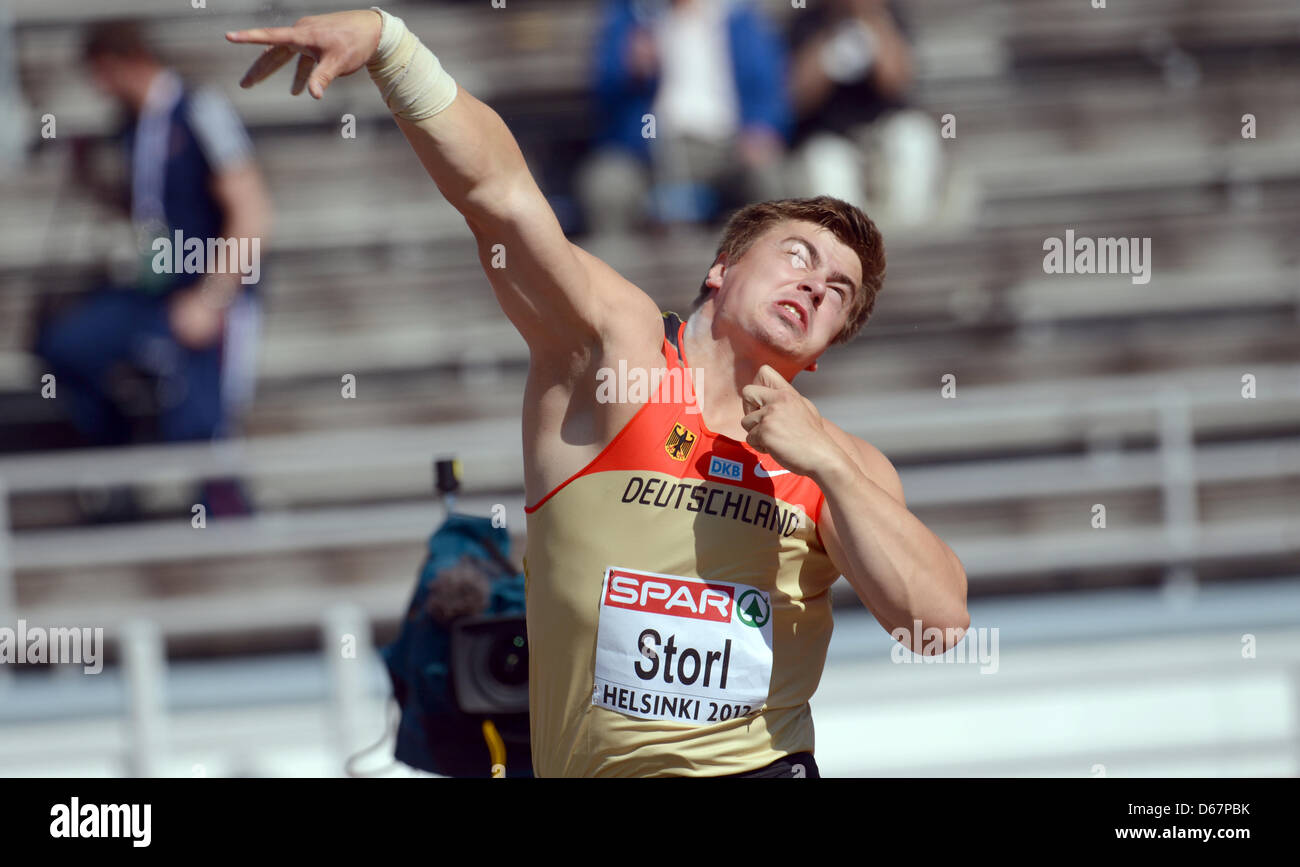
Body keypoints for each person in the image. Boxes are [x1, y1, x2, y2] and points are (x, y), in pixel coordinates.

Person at [228, 6, 968, 777]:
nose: (814, 284)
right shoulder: (623, 355)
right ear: (722, 267)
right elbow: (503, 199)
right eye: (796, 255)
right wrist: (392, 47)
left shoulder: (837, 467)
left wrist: (832, 466)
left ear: (828, 343)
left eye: (838, 291)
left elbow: (936, 624)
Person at [36, 19, 271, 515]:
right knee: (68, 344)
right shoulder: (133, 125)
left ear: (122, 63)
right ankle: (116, 457)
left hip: (212, 290)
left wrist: (212, 299)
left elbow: (252, 209)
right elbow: (154, 211)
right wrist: (87, 178)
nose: (99, 89)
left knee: (200, 424)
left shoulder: (199, 109)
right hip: (159, 289)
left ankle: (230, 518)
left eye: (101, 75)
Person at [576, 0, 790, 235]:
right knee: (606, 186)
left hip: (728, 148)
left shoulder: (740, 17)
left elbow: (770, 90)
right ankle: (613, 271)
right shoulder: (631, 16)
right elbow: (605, 95)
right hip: (649, 153)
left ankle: (766, 268)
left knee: (768, 178)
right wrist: (630, 69)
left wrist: (761, 130)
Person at [786, 0, 943, 229]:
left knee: (914, 137)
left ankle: (910, 232)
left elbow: (896, 82)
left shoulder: (891, 18)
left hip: (883, 130)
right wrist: (831, 29)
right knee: (828, 167)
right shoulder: (806, 22)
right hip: (829, 136)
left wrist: (871, 18)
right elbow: (799, 96)